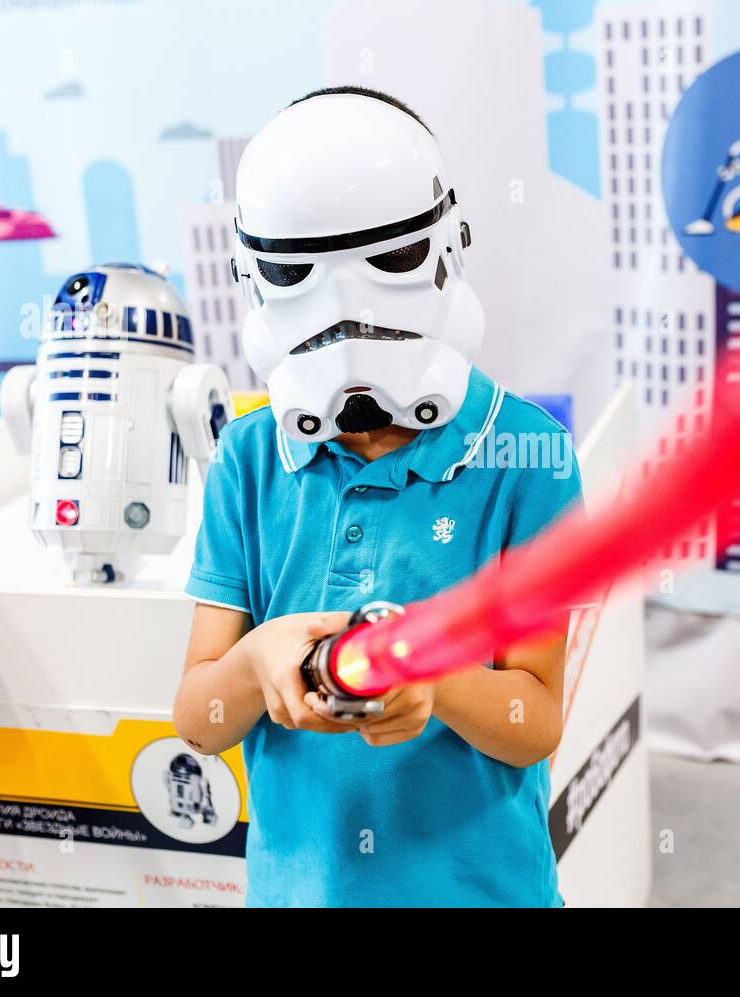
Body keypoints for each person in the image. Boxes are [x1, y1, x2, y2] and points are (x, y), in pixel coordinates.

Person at [172, 86, 581, 907]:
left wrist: (435, 680)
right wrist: (256, 663)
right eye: (299, 274)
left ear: (444, 249)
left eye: (385, 261)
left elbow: (535, 721)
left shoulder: (525, 454)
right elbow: (199, 716)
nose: (343, 317)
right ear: (255, 279)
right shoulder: (251, 462)